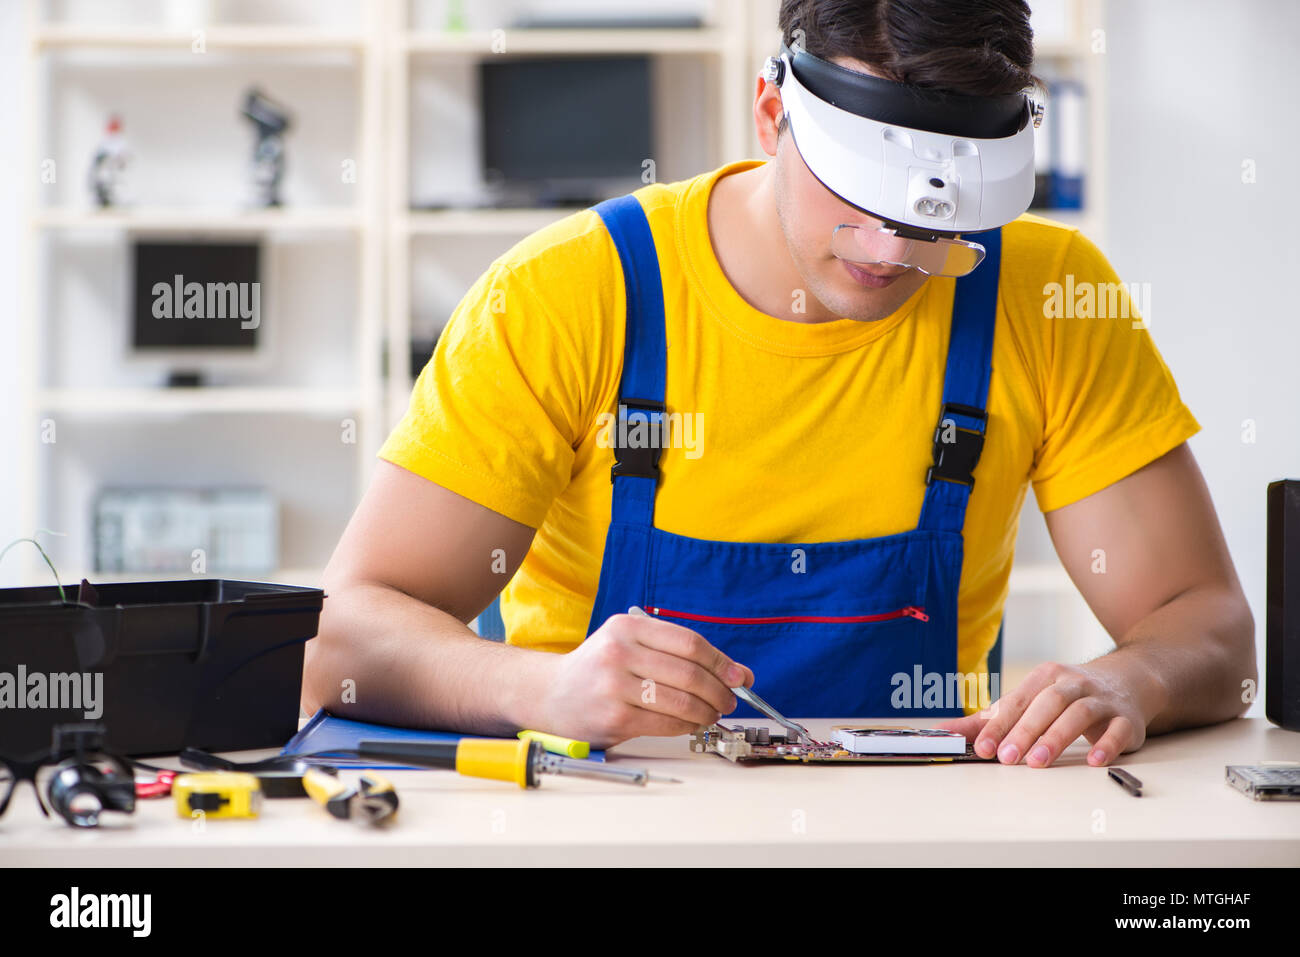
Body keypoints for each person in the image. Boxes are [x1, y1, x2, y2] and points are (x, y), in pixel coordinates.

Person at [302, 0, 1255, 767]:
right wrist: (538, 689)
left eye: (933, 224)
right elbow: (338, 640)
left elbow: (1208, 624)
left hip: (917, 829)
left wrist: (1137, 680)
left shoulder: (1046, 297)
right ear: (772, 114)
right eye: (857, 196)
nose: (889, 251)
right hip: (611, 819)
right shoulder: (568, 296)